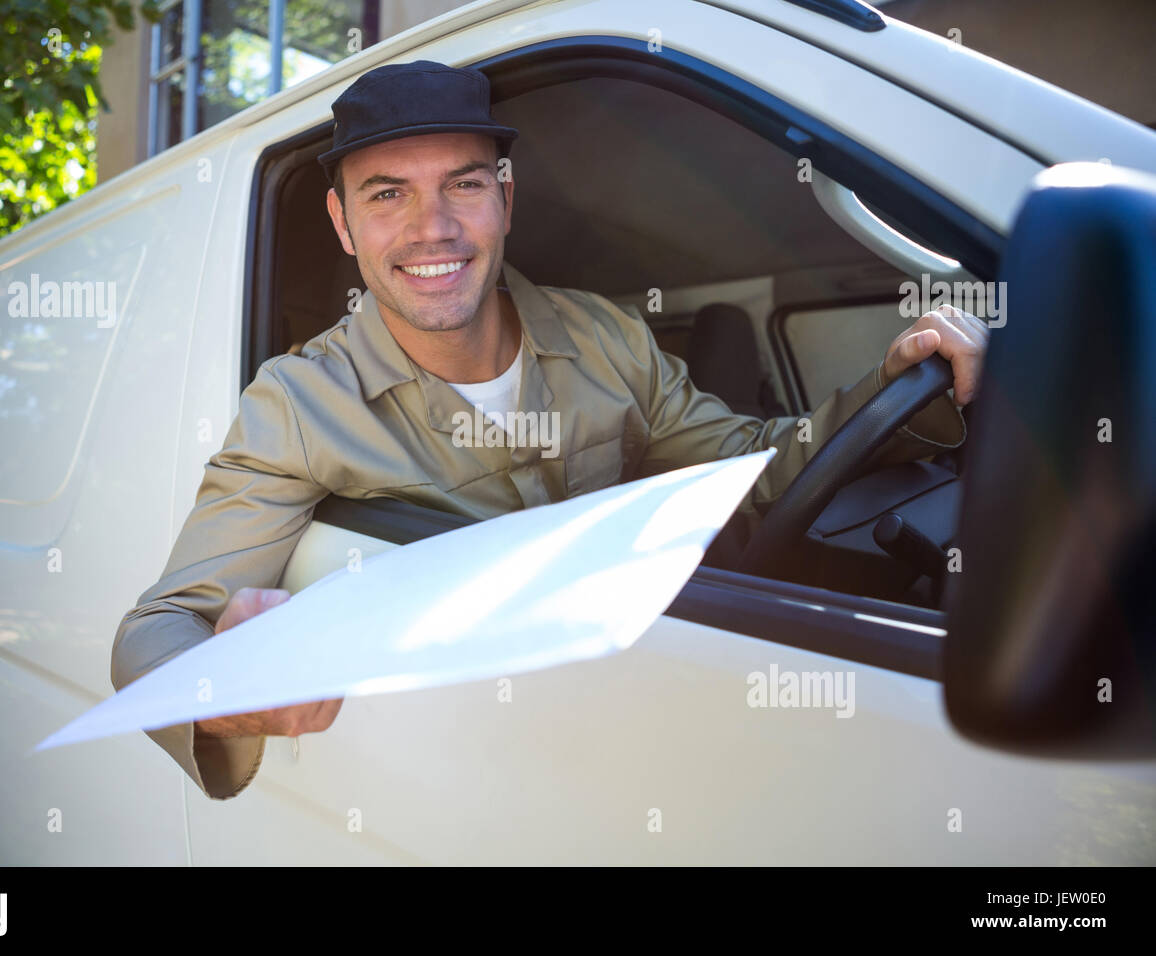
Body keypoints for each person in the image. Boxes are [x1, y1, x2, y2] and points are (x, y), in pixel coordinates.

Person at [111, 60, 988, 800]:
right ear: (344, 224)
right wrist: (222, 690)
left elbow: (750, 471)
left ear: (505, 198)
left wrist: (896, 382)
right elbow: (153, 632)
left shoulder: (608, 336)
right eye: (388, 195)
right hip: (463, 784)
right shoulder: (298, 404)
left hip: (647, 743)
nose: (434, 228)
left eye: (464, 184)